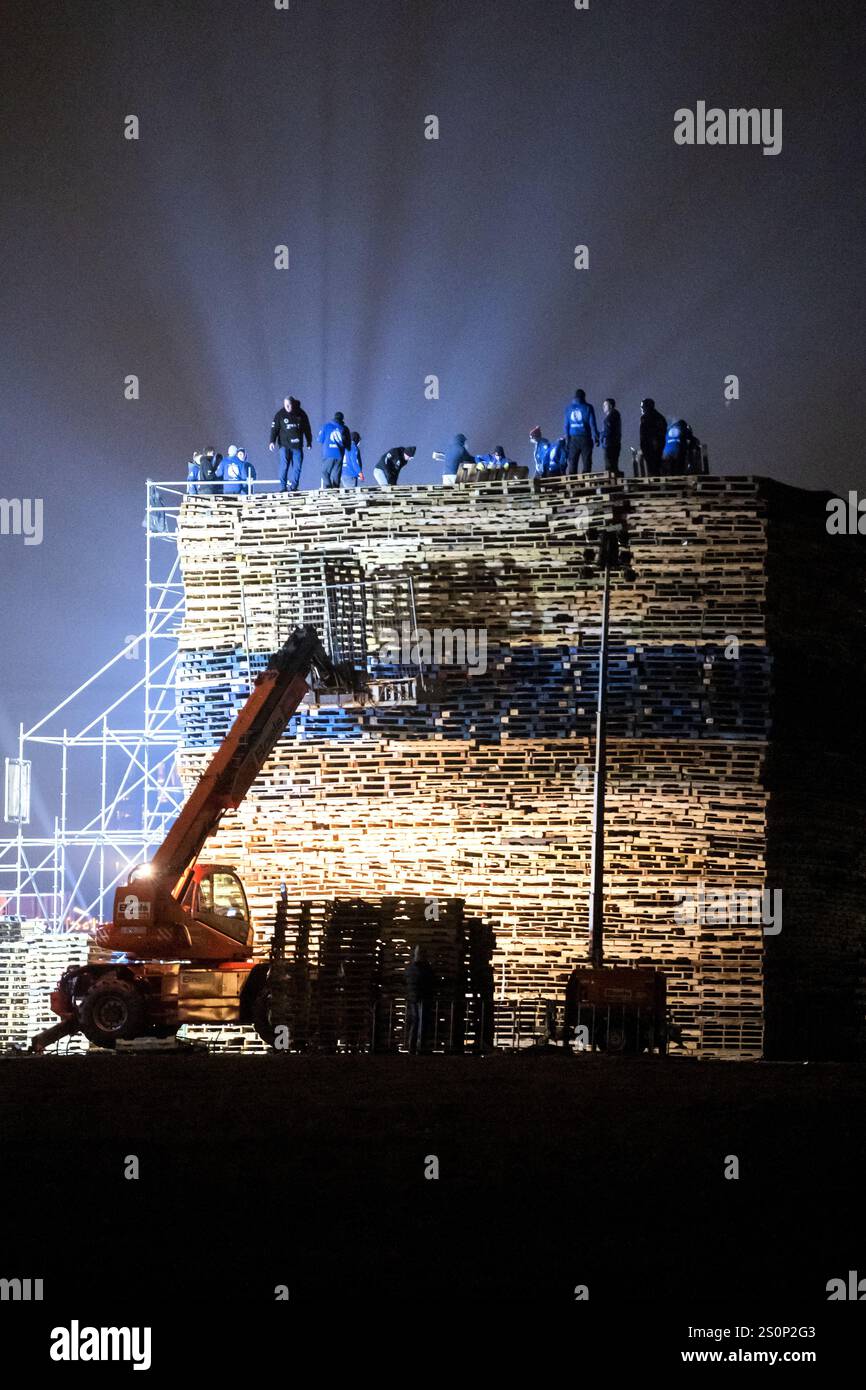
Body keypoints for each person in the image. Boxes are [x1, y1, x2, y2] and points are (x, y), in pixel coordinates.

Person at [269, 396, 312, 493]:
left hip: (297, 446)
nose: (287, 407)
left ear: (293, 404)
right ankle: (282, 487)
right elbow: (274, 429)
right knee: (284, 466)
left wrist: (309, 441)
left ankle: (294, 487)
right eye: (286, 405)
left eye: (289, 405)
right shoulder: (280, 415)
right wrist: (272, 441)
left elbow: (307, 429)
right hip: (284, 445)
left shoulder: (301, 414)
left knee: (297, 467)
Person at [405, 945, 436, 1055]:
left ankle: (413, 1047)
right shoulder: (424, 968)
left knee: (416, 1021)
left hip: (414, 998)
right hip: (422, 998)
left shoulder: (410, 968)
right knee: (421, 1022)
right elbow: (430, 981)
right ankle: (419, 1047)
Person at [564, 389, 600, 475]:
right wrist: (596, 437)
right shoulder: (588, 407)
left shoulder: (568, 409)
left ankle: (572, 484)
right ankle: (586, 484)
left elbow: (566, 426)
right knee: (587, 462)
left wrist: (567, 441)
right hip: (585, 438)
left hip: (573, 439)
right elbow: (593, 424)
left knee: (572, 463)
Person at [317, 411, 351, 488]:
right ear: (342, 419)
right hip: (339, 455)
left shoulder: (326, 426)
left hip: (329, 454)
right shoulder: (345, 429)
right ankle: (336, 489)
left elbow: (320, 440)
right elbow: (348, 445)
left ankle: (329, 488)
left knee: (324, 472)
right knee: (336, 475)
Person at [639, 398, 667, 477]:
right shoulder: (660, 417)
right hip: (658, 446)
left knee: (652, 468)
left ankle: (655, 484)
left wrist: (644, 446)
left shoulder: (646, 418)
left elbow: (644, 434)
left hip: (650, 447)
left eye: (642, 406)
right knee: (656, 467)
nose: (641, 408)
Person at [600, 399, 622, 475]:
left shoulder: (611, 417)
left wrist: (601, 436)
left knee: (610, 467)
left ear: (610, 406)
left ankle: (612, 484)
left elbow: (608, 431)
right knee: (613, 466)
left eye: (605, 405)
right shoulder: (615, 415)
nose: (603, 407)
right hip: (614, 443)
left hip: (609, 444)